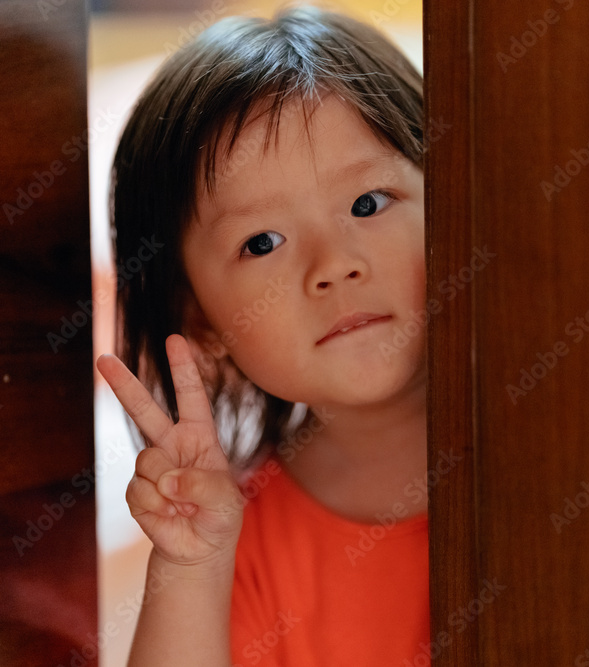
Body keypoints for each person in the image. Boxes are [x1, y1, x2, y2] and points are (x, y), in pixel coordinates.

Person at [95, 5, 429, 665]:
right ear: (200, 322)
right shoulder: (235, 537)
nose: (334, 264)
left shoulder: (556, 431)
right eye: (263, 241)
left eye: (367, 203)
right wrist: (192, 566)